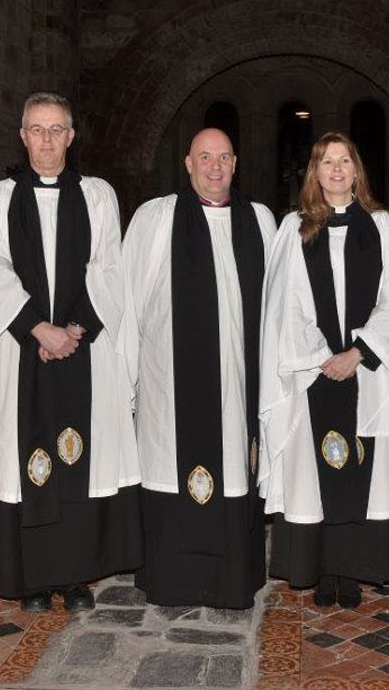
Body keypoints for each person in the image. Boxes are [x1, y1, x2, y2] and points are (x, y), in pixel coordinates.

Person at [0, 93, 141, 612]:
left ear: (71, 136)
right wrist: (38, 329)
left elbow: (108, 269)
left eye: (56, 130)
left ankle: (75, 576)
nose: (46, 140)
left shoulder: (98, 196)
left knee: (78, 455)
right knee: (26, 457)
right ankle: (30, 579)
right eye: (36, 130)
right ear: (21, 135)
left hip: (84, 347)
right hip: (21, 350)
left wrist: (73, 331)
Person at [259, 133, 389, 609]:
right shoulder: (294, 227)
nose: (337, 169)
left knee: (364, 469)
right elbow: (283, 304)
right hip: (314, 373)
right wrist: (322, 356)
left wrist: (360, 352)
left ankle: (355, 570)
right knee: (317, 469)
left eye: (345, 160)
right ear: (315, 172)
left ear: (357, 169)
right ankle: (323, 570)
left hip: (368, 370)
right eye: (327, 162)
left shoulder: (383, 225)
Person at [123, 127, 276, 609]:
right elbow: (128, 303)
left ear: (236, 164)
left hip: (239, 384)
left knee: (233, 463)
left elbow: (277, 307)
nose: (215, 167)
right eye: (204, 157)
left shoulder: (260, 220)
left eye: (224, 158)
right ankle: (173, 580)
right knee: (170, 463)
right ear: (188, 163)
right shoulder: (156, 217)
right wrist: (125, 382)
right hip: (169, 384)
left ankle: (230, 581)